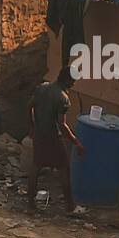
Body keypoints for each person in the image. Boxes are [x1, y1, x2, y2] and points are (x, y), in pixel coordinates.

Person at [27, 67, 84, 213]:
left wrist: (32, 125)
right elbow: (62, 124)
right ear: (68, 80)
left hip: (39, 134)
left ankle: (30, 204)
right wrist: (75, 141)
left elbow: (29, 106)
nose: (73, 84)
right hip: (53, 137)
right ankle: (70, 207)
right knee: (64, 168)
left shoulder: (41, 88)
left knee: (36, 166)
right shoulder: (62, 97)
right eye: (73, 81)